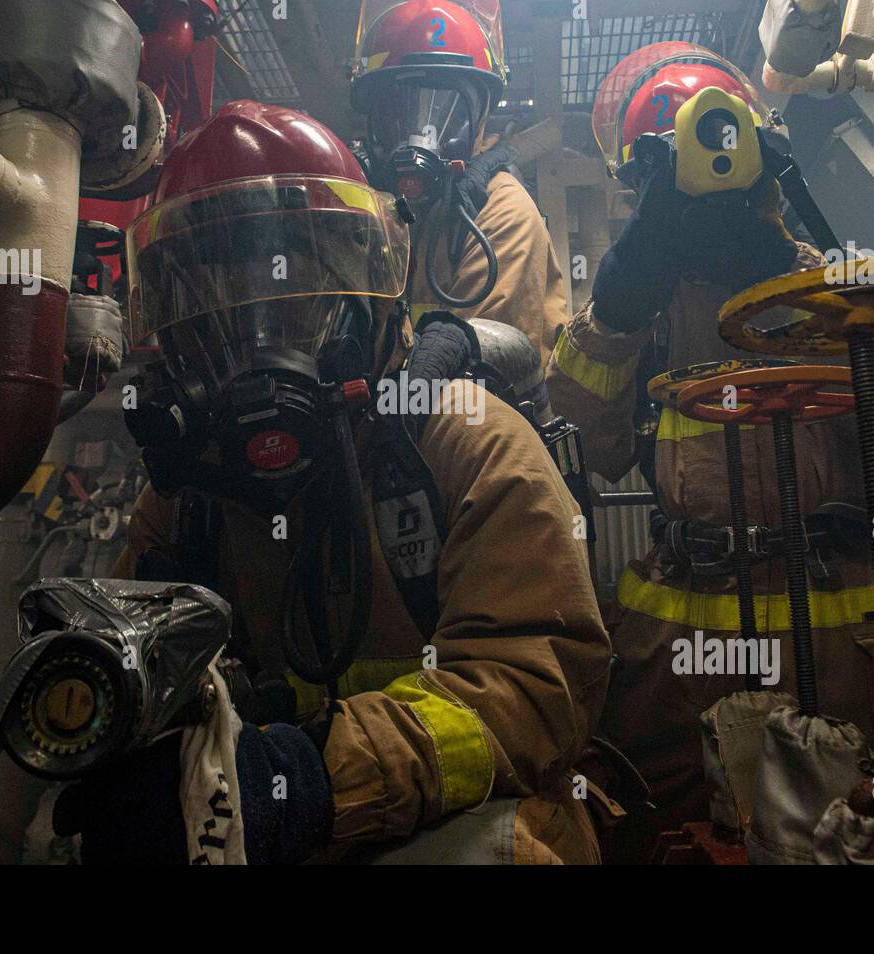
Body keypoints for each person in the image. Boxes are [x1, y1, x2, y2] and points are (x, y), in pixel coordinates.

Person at [57, 100, 612, 864]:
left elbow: (537, 697)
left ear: (369, 298)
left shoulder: (461, 440)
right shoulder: (186, 503)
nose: (257, 340)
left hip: (457, 824)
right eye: (218, 302)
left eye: (296, 296)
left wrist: (308, 776)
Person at [545, 42, 874, 831]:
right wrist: (616, 308)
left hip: (848, 639)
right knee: (677, 834)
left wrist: (795, 277)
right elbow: (593, 441)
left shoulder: (829, 286)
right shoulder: (634, 312)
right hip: (678, 654)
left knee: (866, 834)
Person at [350, 0, 567, 365]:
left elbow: (481, 388)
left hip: (463, 419)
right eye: (399, 107)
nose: (421, 134)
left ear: (482, 117)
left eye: (449, 111)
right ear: (372, 117)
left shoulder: (502, 214)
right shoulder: (362, 210)